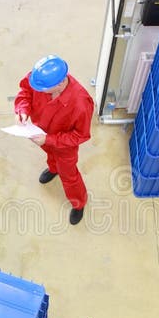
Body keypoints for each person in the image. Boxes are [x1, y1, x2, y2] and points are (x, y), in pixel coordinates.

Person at [14, 55, 94, 225]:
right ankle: (53, 168)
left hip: (64, 147)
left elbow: (81, 135)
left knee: (70, 176)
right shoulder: (40, 79)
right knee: (51, 157)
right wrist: (22, 110)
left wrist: (49, 139)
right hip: (41, 134)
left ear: (60, 84)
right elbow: (26, 92)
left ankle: (79, 203)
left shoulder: (80, 103)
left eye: (42, 89)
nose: (39, 91)